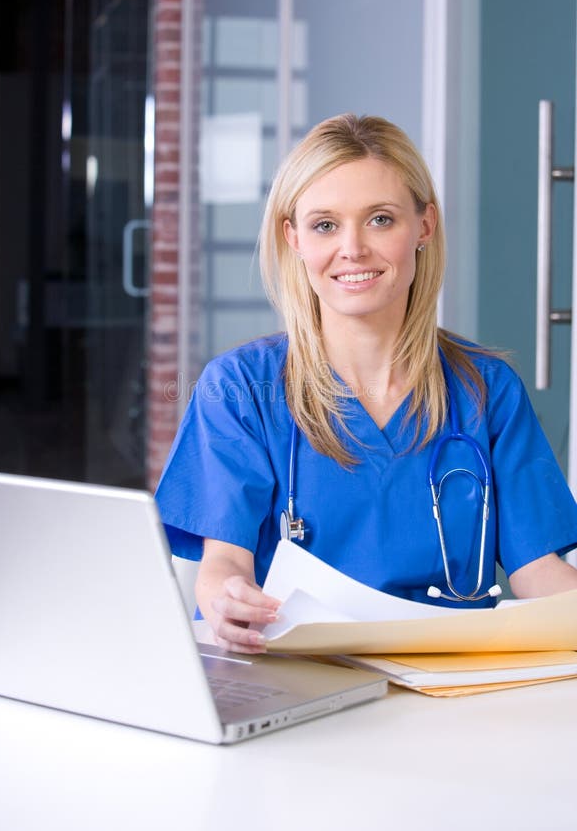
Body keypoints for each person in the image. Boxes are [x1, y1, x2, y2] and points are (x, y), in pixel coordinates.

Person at [155, 113, 577, 654]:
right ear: (295, 240)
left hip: (447, 686)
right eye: (325, 225)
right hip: (299, 681)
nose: (352, 249)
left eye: (380, 219)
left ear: (423, 226)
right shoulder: (239, 389)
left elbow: (539, 574)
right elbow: (223, 565)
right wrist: (225, 600)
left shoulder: (486, 390)